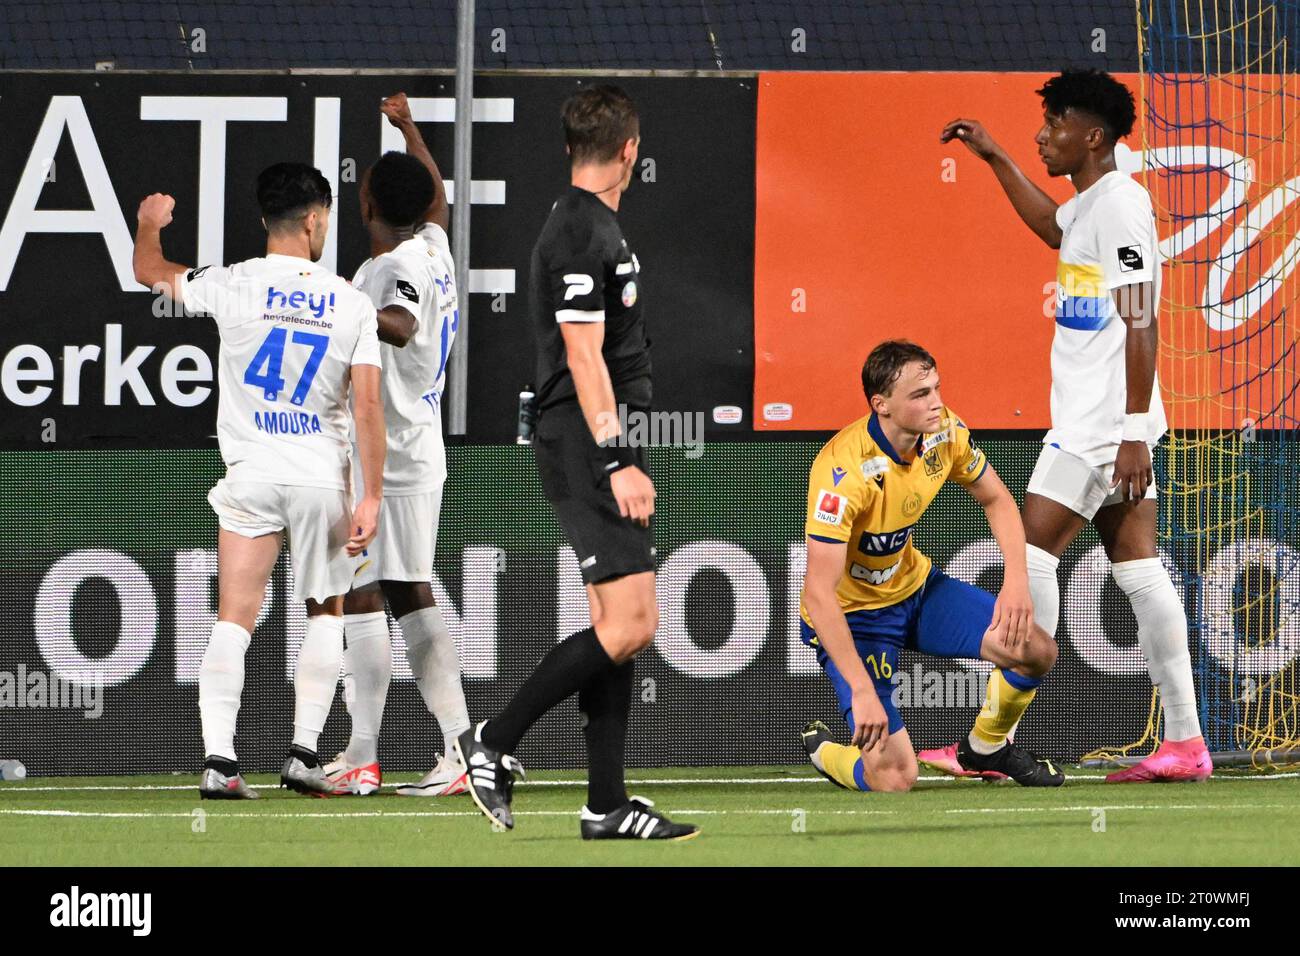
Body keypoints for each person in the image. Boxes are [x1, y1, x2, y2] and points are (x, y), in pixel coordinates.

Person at [937, 68, 1211, 782]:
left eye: (1054, 122)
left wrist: (1126, 430)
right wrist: (997, 157)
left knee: (1029, 558)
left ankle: (988, 745)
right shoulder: (1090, 204)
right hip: (1105, 421)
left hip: (1099, 426)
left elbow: (1143, 316)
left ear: (1092, 136)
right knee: (1141, 569)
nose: (1042, 134)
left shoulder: (1121, 205)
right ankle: (1185, 742)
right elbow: (1049, 227)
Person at [455, 85, 698, 840]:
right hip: (583, 437)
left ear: (571, 146)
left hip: (587, 434)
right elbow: (584, 354)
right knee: (632, 623)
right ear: (631, 150)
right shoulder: (579, 232)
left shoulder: (589, 226)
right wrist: (618, 455)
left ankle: (605, 803)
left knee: (613, 622)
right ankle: (490, 743)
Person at [132, 163, 385, 799]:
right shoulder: (351, 303)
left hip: (251, 474)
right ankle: (303, 756)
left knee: (233, 617)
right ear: (314, 220)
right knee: (325, 612)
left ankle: (219, 763)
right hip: (319, 478)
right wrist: (372, 495)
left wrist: (148, 225)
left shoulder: (233, 283)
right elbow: (367, 408)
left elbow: (149, 273)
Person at [800, 340, 1064, 791]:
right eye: (920, 394)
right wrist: (861, 690)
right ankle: (827, 752)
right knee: (896, 777)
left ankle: (985, 748)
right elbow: (817, 595)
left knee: (1036, 650)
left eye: (937, 388)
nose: (937, 402)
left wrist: (1016, 582)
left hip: (917, 593)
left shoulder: (946, 433)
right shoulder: (842, 474)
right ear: (880, 405)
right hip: (855, 618)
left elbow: (997, 499)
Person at [323, 92, 472, 798]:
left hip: (392, 456)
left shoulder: (391, 270)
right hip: (415, 450)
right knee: (402, 592)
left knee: (367, 594)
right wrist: (410, 128)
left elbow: (402, 323)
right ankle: (451, 749)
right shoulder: (433, 240)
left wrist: (331, 305)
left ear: (365, 203)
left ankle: (370, 753)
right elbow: (437, 198)